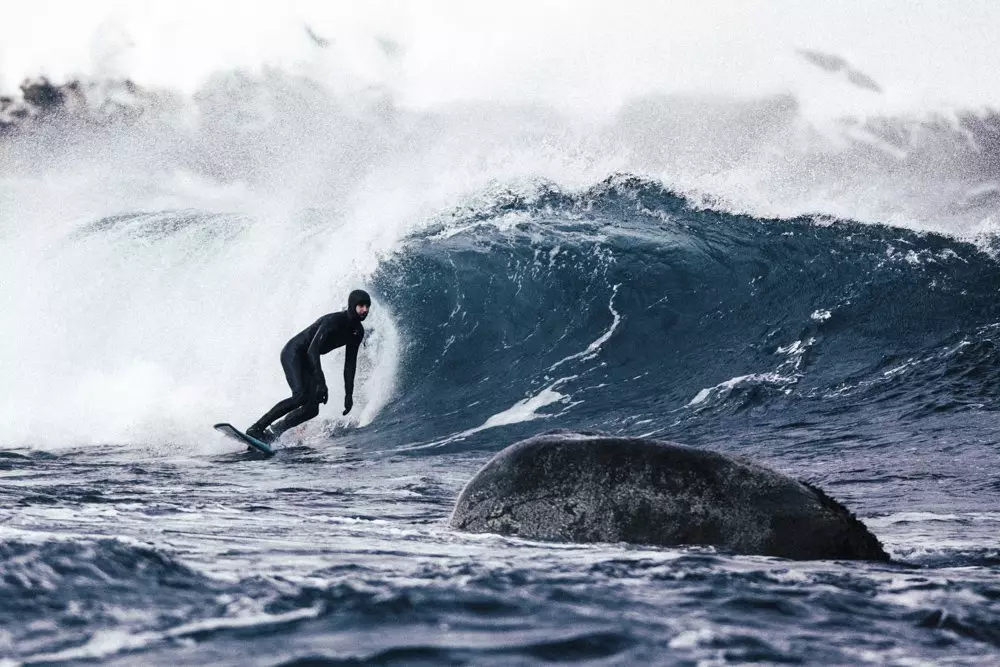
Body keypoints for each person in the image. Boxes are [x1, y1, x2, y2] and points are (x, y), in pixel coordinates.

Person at [246, 289, 371, 443]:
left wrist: (349, 395)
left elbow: (350, 365)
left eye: (367, 306)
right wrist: (322, 383)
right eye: (361, 305)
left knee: (312, 409)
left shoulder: (357, 332)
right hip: (294, 352)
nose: (365, 310)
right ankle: (256, 428)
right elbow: (313, 350)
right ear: (352, 305)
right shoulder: (334, 321)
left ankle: (273, 433)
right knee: (300, 396)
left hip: (307, 359)